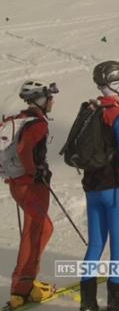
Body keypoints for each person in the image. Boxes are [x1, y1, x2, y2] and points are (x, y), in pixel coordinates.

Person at [78, 61, 119, 311]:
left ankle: (88, 304)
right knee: (118, 248)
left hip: (92, 187)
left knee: (94, 245)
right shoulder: (118, 111)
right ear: (116, 84)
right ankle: (116, 306)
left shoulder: (90, 109)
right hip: (116, 189)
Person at [2, 80, 58, 309]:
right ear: (40, 99)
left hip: (19, 184)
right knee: (39, 230)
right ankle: (22, 287)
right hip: (31, 185)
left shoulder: (23, 119)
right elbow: (25, 150)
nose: (53, 100)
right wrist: (35, 172)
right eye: (49, 96)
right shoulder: (37, 125)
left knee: (36, 229)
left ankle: (26, 283)